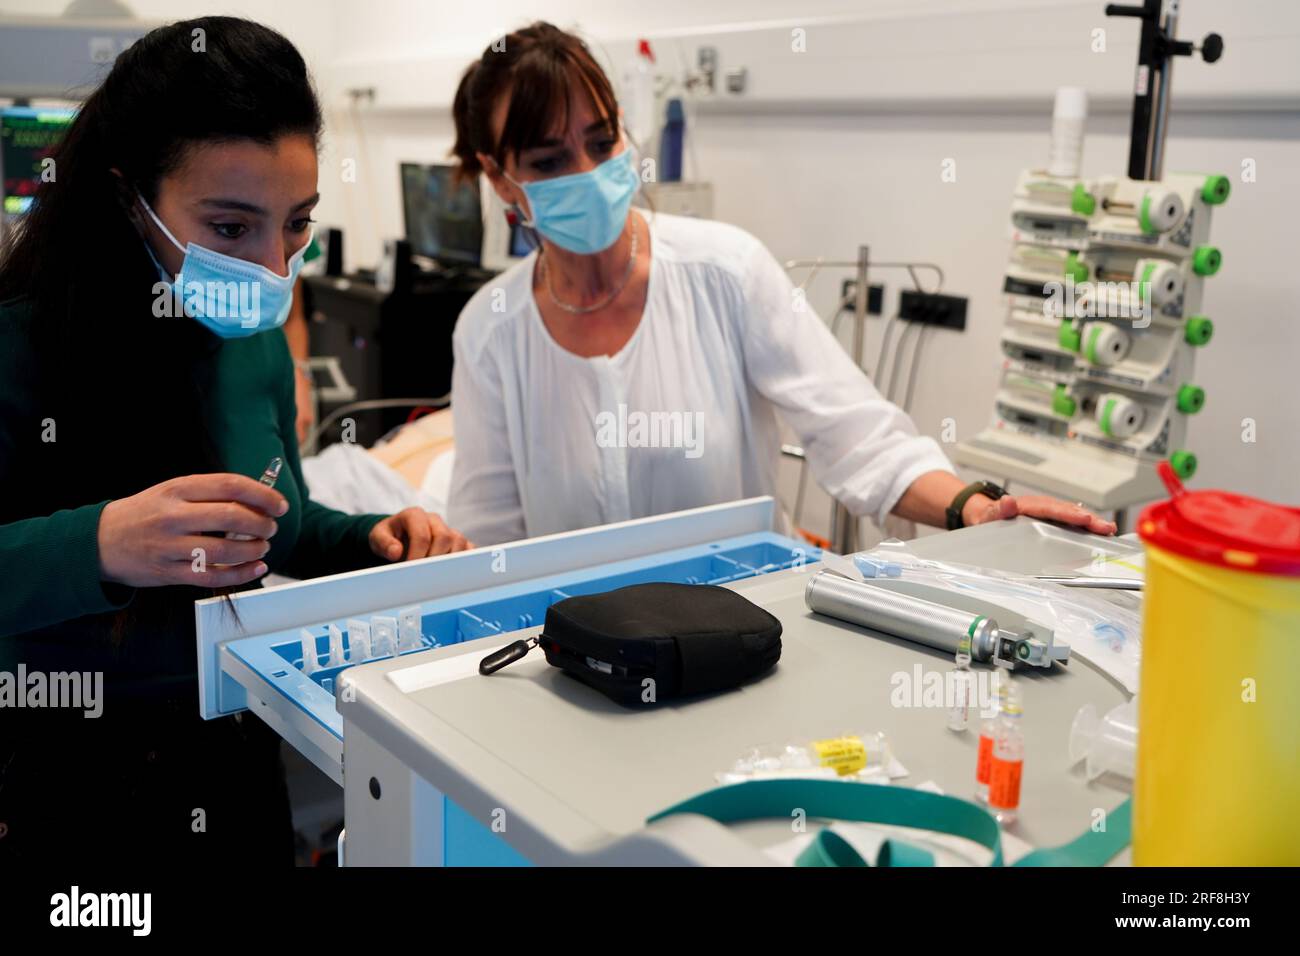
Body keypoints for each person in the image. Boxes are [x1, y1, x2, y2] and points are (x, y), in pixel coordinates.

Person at [0, 17, 470, 866]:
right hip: (63, 768)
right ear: (127, 198)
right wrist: (100, 543)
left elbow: (277, 518)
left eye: (297, 224)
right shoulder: (19, 346)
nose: (269, 265)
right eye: (229, 229)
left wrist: (368, 539)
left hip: (230, 744)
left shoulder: (249, 332)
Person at [444, 22, 1117, 547]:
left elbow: (859, 439)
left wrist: (975, 507)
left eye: (601, 139)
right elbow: (490, 544)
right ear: (501, 177)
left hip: (740, 634)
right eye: (551, 160)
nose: (589, 170)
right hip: (580, 659)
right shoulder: (491, 331)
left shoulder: (725, 271)